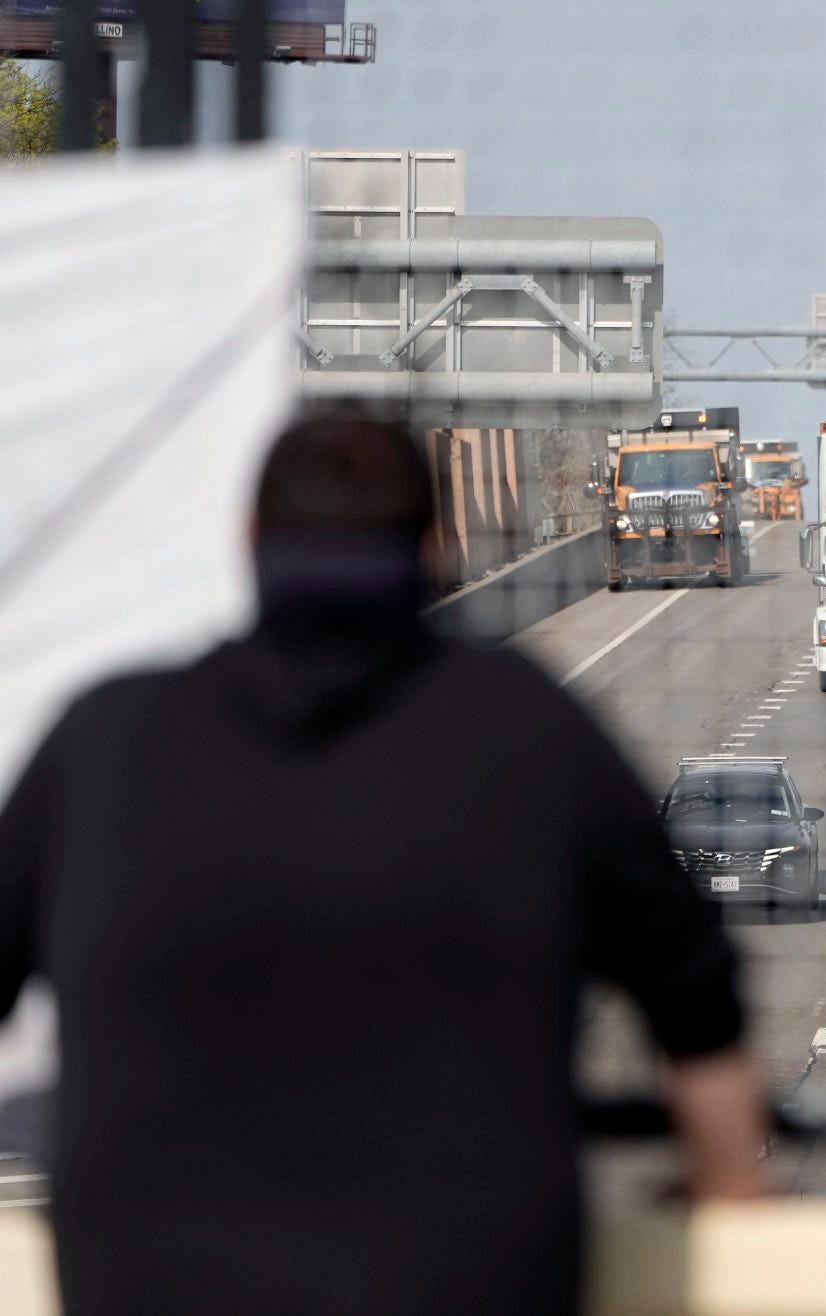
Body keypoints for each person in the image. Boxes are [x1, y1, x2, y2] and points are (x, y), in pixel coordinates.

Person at [0, 414, 766, 1316]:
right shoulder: (529, 733)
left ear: (248, 543)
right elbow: (693, 991)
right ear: (435, 547)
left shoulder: (107, 743)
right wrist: (728, 1185)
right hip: (469, 1282)